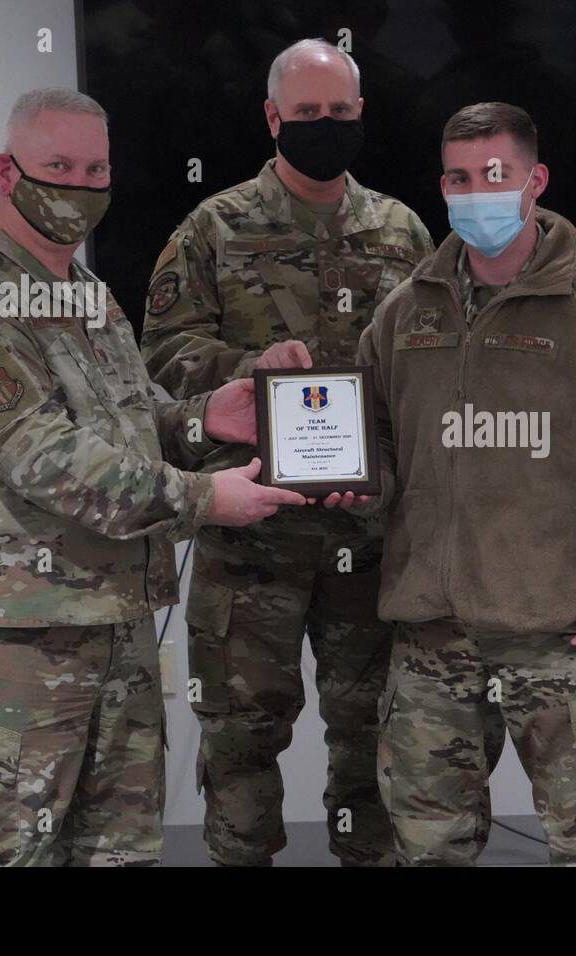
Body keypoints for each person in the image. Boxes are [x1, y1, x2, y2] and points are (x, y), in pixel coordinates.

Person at [0, 88, 303, 866]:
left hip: (116, 627)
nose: (79, 188)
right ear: (5, 172)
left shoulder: (87, 298)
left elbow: (133, 424)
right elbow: (48, 460)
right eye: (57, 167)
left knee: (119, 854)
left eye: (95, 170)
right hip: (13, 644)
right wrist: (203, 499)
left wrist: (207, 416)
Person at [356, 102, 576, 865]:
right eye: (458, 177)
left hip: (566, 637)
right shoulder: (404, 312)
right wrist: (350, 480)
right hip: (433, 635)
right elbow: (376, 442)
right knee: (423, 849)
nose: (475, 191)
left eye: (495, 175)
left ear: (534, 180)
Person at [140, 39, 436, 866]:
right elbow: (163, 352)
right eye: (307, 114)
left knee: (374, 740)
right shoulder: (213, 227)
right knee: (240, 747)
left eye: (339, 114)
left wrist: (382, 468)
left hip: (369, 538)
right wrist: (246, 370)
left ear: (360, 116)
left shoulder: (401, 231)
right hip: (250, 537)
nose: (325, 126)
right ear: (273, 118)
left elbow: (427, 371)